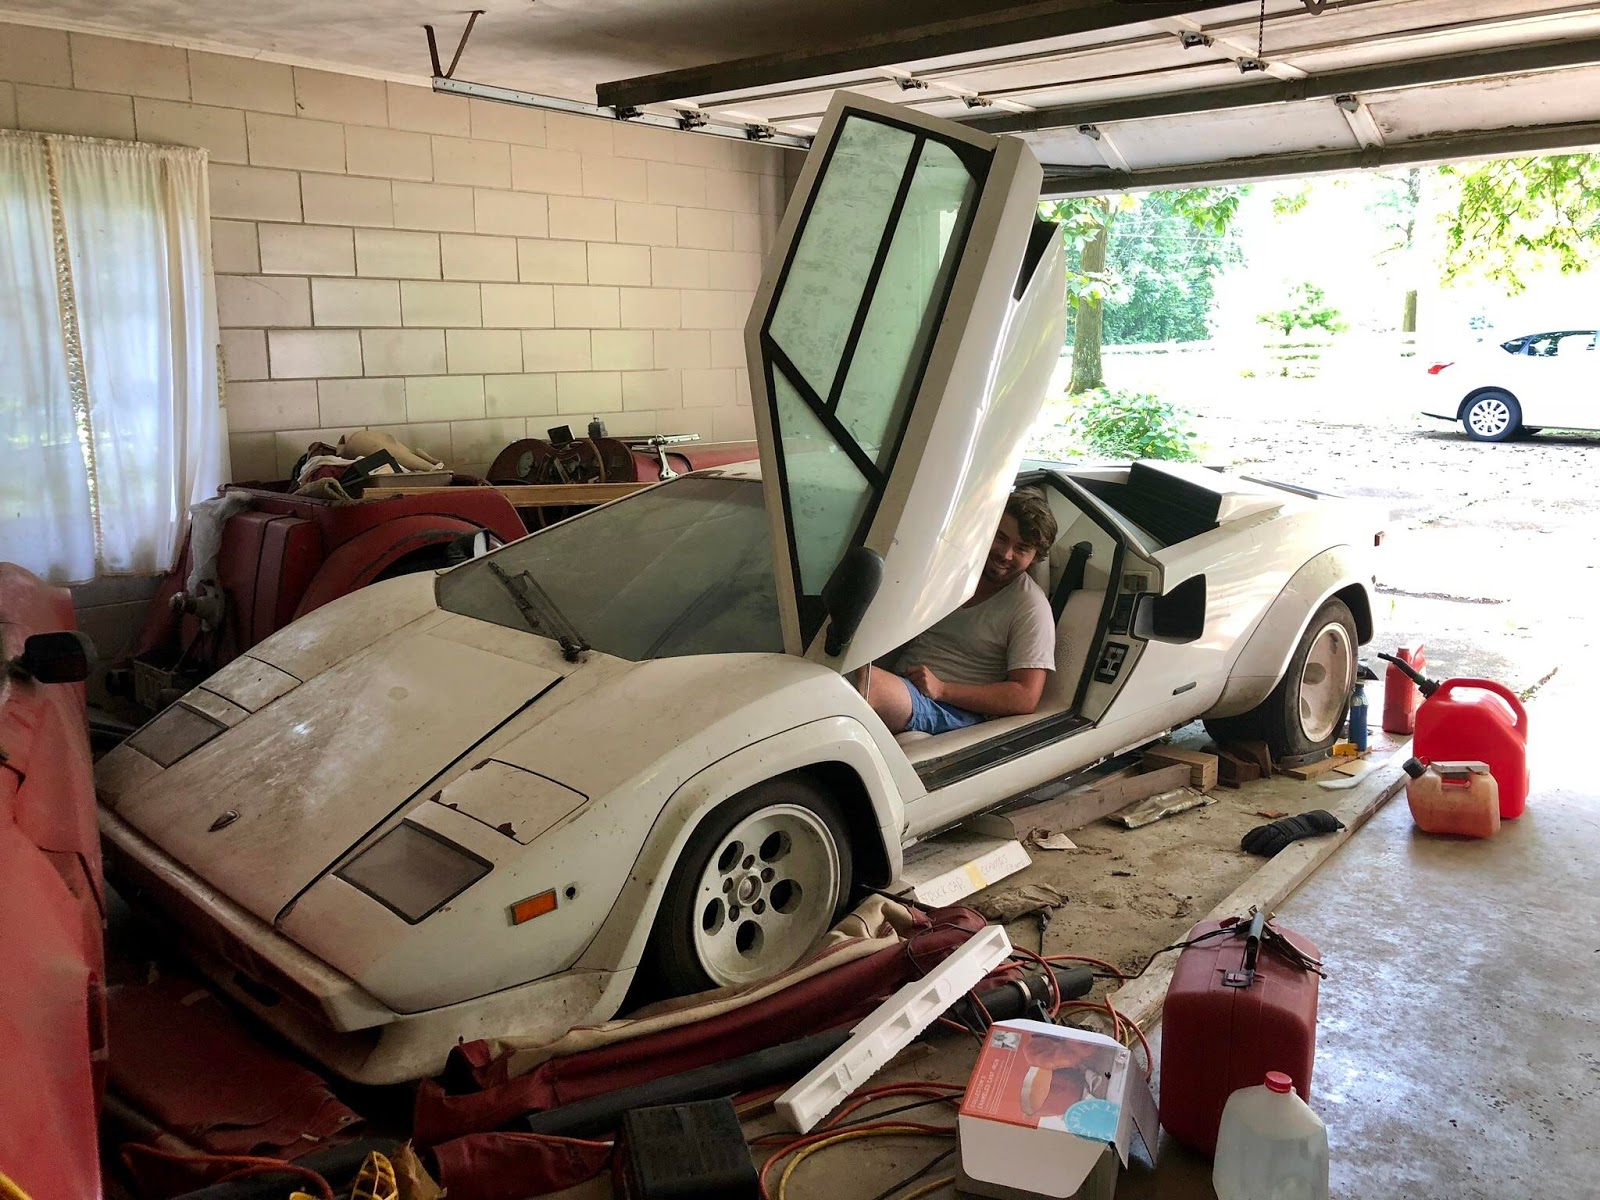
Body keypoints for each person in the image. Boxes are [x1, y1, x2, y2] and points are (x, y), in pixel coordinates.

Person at [861, 489, 1058, 735]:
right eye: (1001, 537)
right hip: (906, 686)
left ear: (1035, 557)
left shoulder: (1031, 607)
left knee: (865, 684)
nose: (1006, 554)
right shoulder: (952, 574)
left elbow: (1026, 696)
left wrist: (943, 689)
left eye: (1021, 548)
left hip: (951, 710)